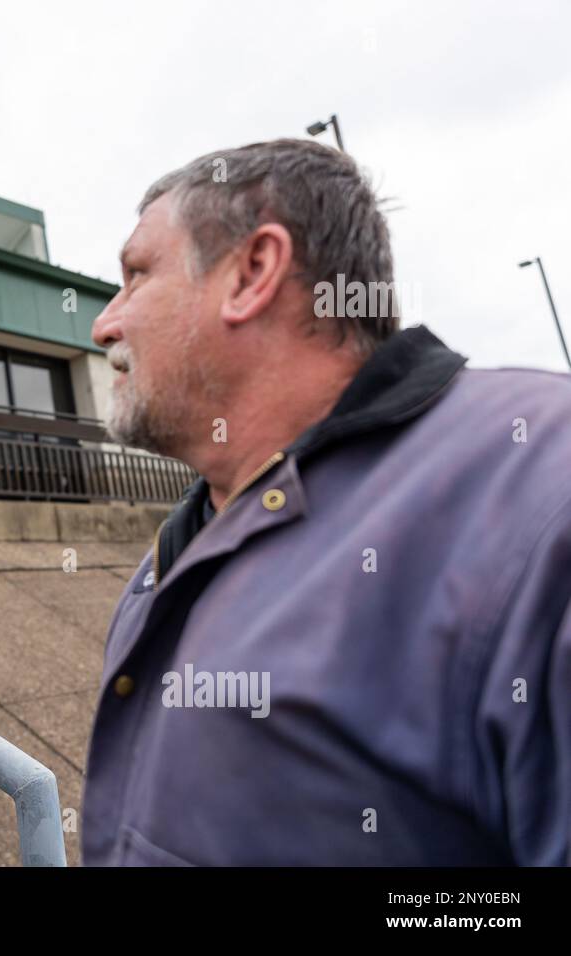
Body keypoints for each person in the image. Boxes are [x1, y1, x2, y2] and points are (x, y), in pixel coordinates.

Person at [82, 138, 571, 866]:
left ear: (251, 273)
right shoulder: (172, 556)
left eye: (135, 275)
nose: (104, 324)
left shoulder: (542, 483)